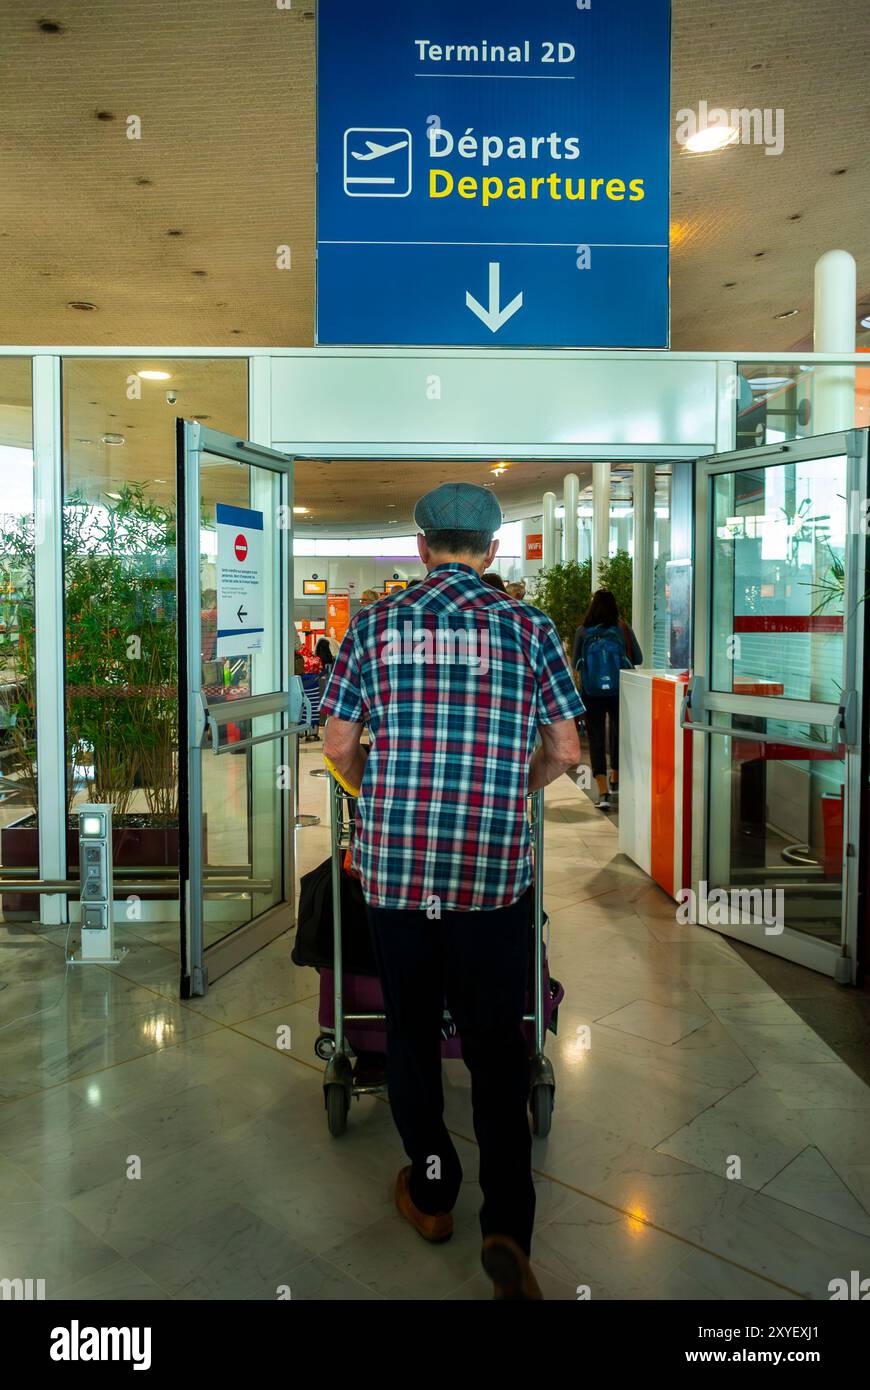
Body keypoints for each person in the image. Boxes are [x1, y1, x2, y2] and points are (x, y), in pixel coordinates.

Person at [321, 482, 582, 1301]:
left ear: (423, 546)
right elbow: (568, 746)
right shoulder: (527, 625)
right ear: (494, 550)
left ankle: (433, 1190)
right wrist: (517, 785)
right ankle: (506, 1225)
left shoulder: (375, 624)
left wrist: (380, 802)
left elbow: (336, 741)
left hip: (398, 873)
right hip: (492, 872)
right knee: (497, 1044)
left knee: (408, 1031)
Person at [571, 589, 642, 812]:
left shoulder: (583, 632)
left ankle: (602, 791)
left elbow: (575, 664)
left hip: (591, 692)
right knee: (619, 733)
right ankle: (616, 778)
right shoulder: (622, 628)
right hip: (619, 689)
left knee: (596, 737)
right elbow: (638, 658)